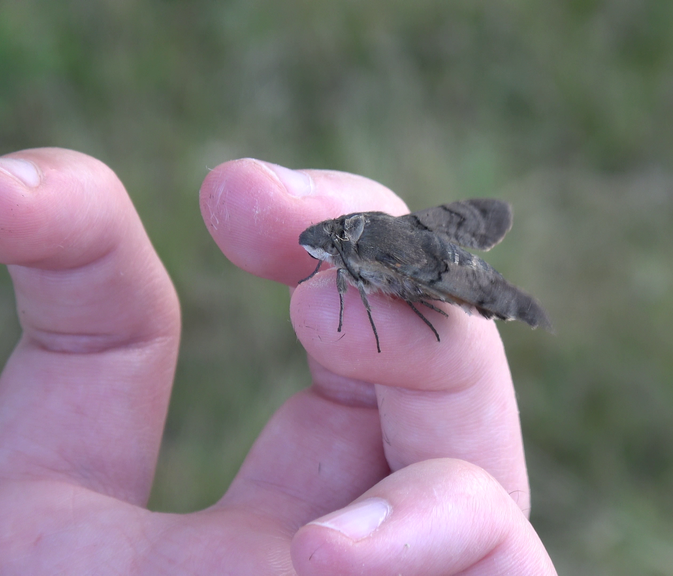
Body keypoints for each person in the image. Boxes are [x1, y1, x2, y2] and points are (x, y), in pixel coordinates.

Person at [0, 148, 556, 574]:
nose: (320, 260)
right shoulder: (338, 255)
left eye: (325, 253)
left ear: (335, 245)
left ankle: (506, 303)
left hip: (418, 264)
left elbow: (357, 286)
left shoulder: (357, 254)